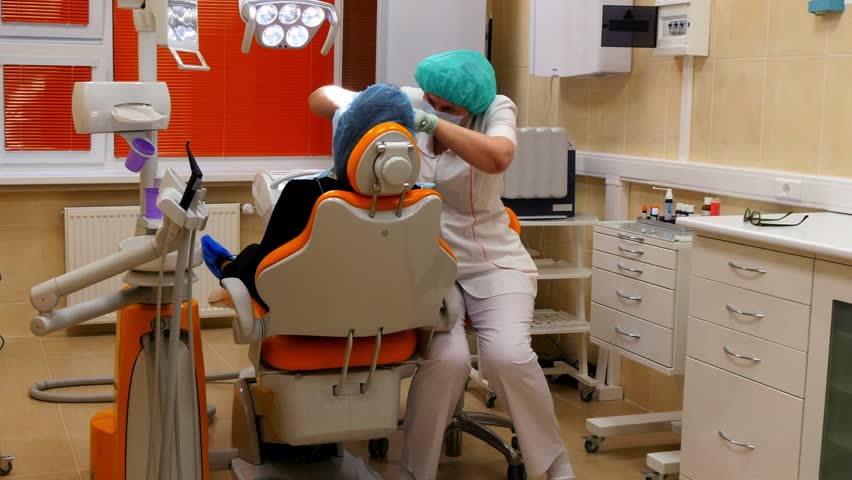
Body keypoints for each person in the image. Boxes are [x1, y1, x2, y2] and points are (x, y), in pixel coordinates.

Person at [309, 50, 576, 480]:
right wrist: (357, 107)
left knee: (507, 357)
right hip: (428, 264)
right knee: (447, 361)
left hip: (493, 260)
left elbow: (498, 157)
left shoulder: (496, 109)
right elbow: (320, 97)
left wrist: (433, 124)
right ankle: (415, 472)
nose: (434, 108)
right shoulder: (412, 100)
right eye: (430, 102)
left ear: (470, 105)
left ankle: (554, 460)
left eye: (446, 106)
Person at [201, 83, 417, 309]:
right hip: (388, 318)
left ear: (348, 136)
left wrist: (229, 266)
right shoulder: (422, 202)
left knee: (254, 256)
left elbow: (264, 275)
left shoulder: (307, 195)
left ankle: (226, 265)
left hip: (313, 316)